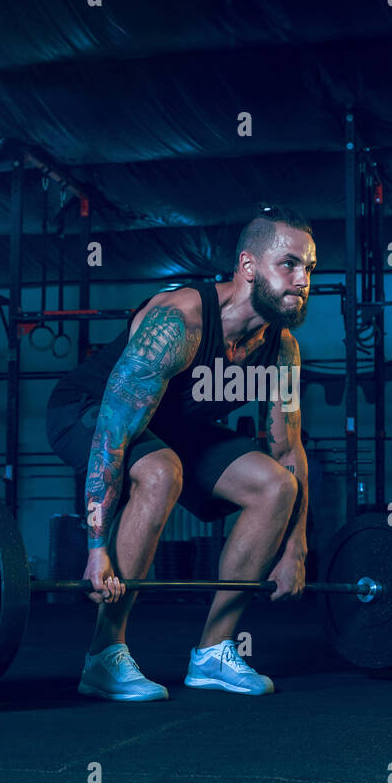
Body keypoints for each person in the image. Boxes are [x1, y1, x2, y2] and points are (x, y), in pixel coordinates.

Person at [45, 204, 314, 701]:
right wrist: (96, 548)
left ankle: (214, 652)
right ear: (249, 267)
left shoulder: (281, 349)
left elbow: (288, 448)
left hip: (175, 426)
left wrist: (296, 547)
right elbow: (112, 434)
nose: (302, 279)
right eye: (290, 264)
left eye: (309, 268)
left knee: (276, 484)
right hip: (89, 411)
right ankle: (104, 655)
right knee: (162, 471)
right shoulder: (179, 323)